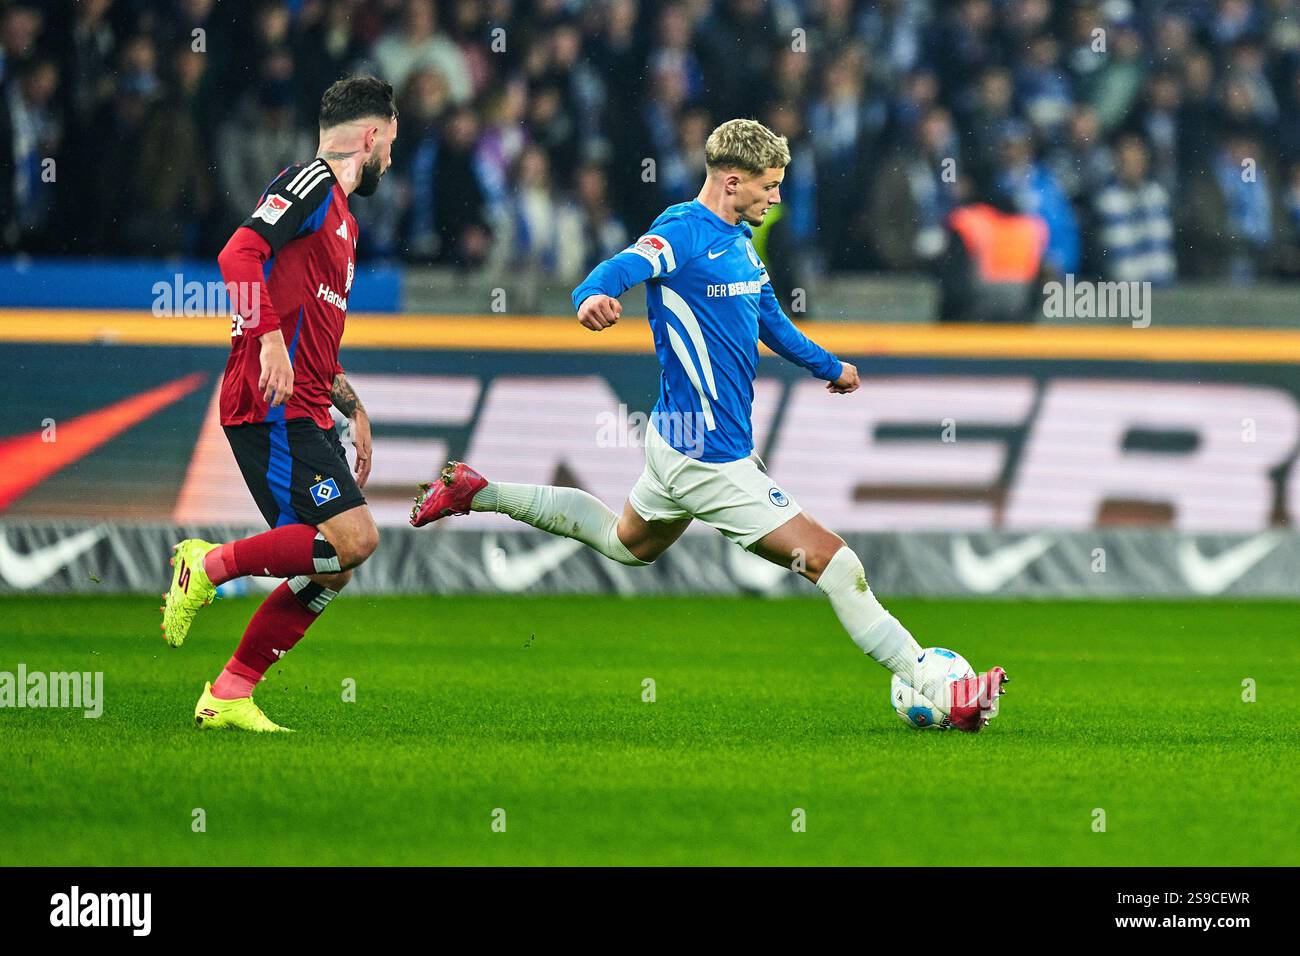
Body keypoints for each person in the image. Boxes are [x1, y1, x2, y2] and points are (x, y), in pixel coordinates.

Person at [410, 118, 1007, 732]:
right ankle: (937, 684)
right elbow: (618, 268)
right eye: (768, 186)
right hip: (706, 456)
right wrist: (589, 296)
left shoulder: (742, 242)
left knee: (625, 543)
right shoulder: (683, 232)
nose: (775, 198)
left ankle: (480, 492)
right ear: (731, 181)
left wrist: (831, 367)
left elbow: (771, 323)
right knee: (837, 564)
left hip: (684, 443)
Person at [160, 76, 398, 732]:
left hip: (310, 408)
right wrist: (265, 340)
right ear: (371, 137)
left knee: (333, 565)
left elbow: (310, 329)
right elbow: (238, 252)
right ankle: (206, 565)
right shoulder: (311, 182)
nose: (392, 161)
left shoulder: (344, 220)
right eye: (392, 145)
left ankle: (230, 691)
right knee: (355, 539)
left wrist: (354, 406)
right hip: (270, 405)